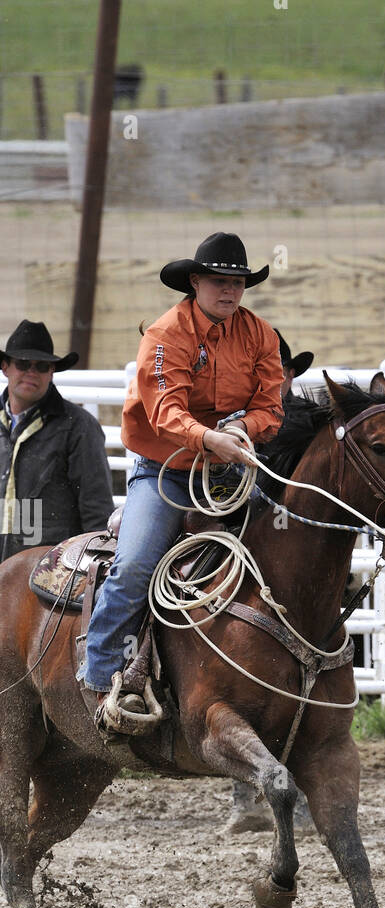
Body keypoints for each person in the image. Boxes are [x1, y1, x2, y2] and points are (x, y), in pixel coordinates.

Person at [76, 231, 283, 730]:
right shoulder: (167, 335)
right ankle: (98, 678)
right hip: (166, 471)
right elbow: (165, 412)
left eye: (237, 282)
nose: (230, 291)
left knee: (282, 556)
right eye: (219, 281)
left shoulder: (260, 335)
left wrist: (242, 427)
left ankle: (271, 681)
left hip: (229, 469)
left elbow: (271, 408)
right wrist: (211, 438)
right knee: (134, 564)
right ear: (195, 283)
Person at [225, 329, 315, 834]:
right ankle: (252, 794)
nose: (275, 379)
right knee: (244, 677)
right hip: (248, 554)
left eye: (279, 371)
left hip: (289, 564)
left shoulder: (300, 425)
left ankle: (282, 794)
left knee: (298, 678)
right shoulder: (242, 422)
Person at [0, 320, 114, 565]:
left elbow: (96, 507)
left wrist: (93, 564)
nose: (32, 372)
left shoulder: (78, 426)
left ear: (51, 373)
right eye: (23, 364)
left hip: (49, 570)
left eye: (41, 366)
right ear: (5, 367)